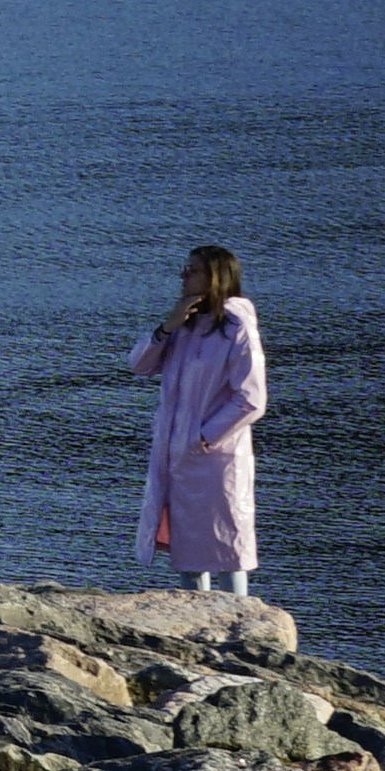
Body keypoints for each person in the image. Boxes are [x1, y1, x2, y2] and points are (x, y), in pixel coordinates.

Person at [131, 243, 266, 593]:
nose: (183, 276)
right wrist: (166, 328)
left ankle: (239, 627)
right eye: (185, 269)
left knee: (228, 547)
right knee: (187, 550)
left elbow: (251, 398)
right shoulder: (186, 323)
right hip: (177, 455)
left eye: (192, 270)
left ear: (215, 277)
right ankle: (197, 625)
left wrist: (204, 437)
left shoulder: (236, 325)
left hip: (216, 457)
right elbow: (139, 365)